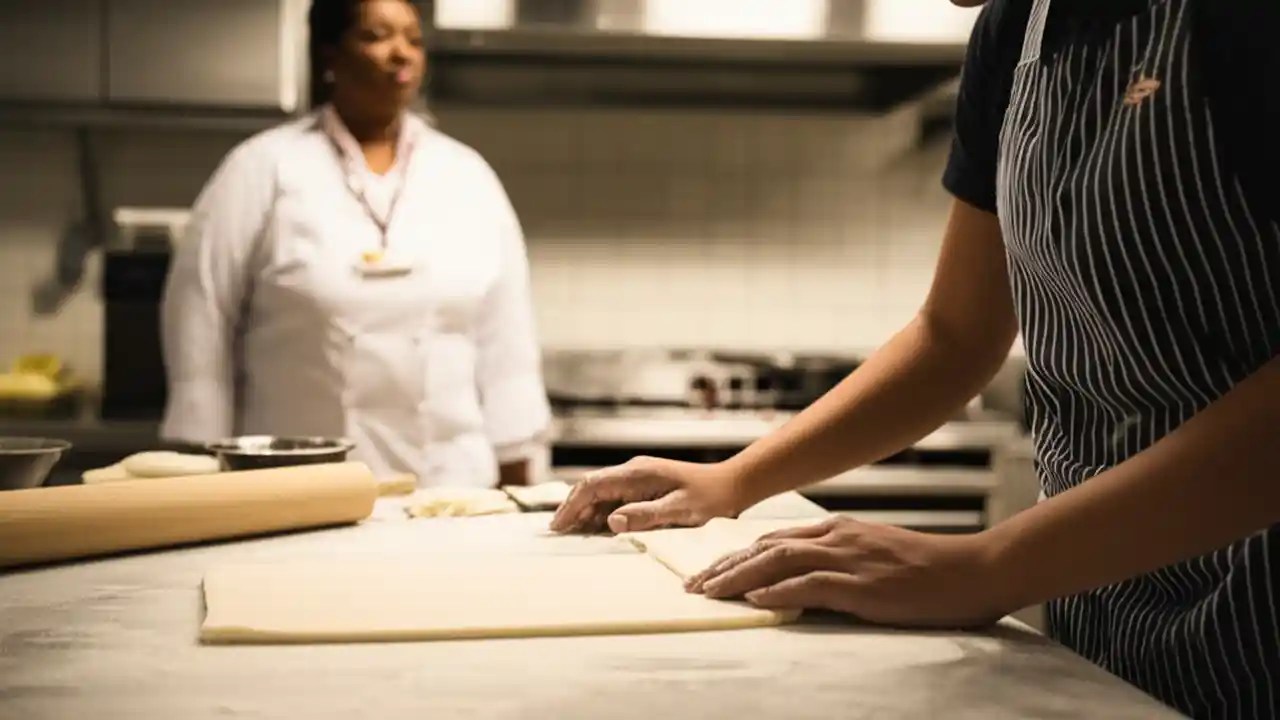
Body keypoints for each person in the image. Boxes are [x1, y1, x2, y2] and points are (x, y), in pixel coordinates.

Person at [552, 0, 1278, 716]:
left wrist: (982, 566)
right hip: (1101, 602)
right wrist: (732, 481)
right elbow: (955, 337)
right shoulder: (1014, 31)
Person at [160, 0, 551, 488]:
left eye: (413, 38)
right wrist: (201, 460)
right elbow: (201, 314)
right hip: (296, 484)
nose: (401, 53)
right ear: (330, 54)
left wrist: (518, 468)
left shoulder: (466, 175)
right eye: (376, 36)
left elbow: (507, 338)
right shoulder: (263, 167)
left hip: (451, 487)